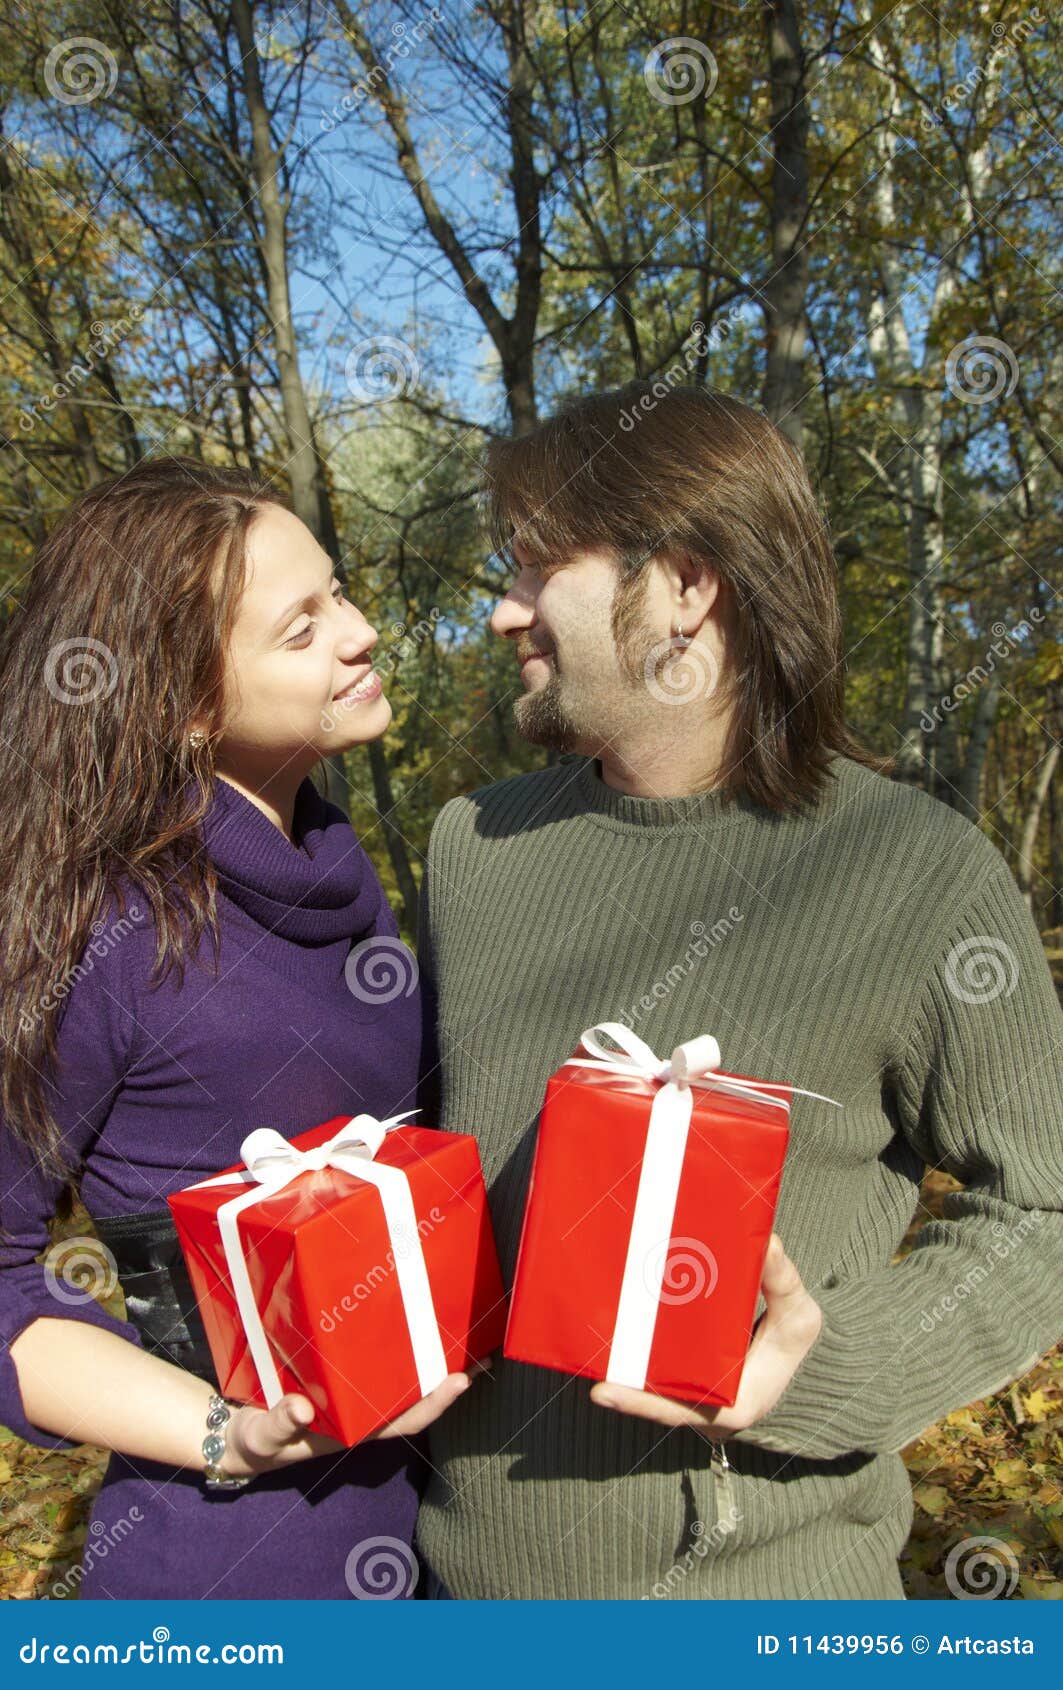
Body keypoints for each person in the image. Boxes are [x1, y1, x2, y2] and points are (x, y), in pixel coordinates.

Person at [414, 381, 1063, 1600]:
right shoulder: (472, 850)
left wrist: (826, 1367)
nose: (503, 614)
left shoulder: (916, 873)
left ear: (684, 586)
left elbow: (1045, 1205)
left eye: (533, 569)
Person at [0, 459, 468, 1600]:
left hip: (440, 1543)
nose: (359, 633)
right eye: (302, 628)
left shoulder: (338, 872)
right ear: (187, 703)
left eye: (341, 593)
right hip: (236, 1567)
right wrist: (221, 1431)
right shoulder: (107, 934)